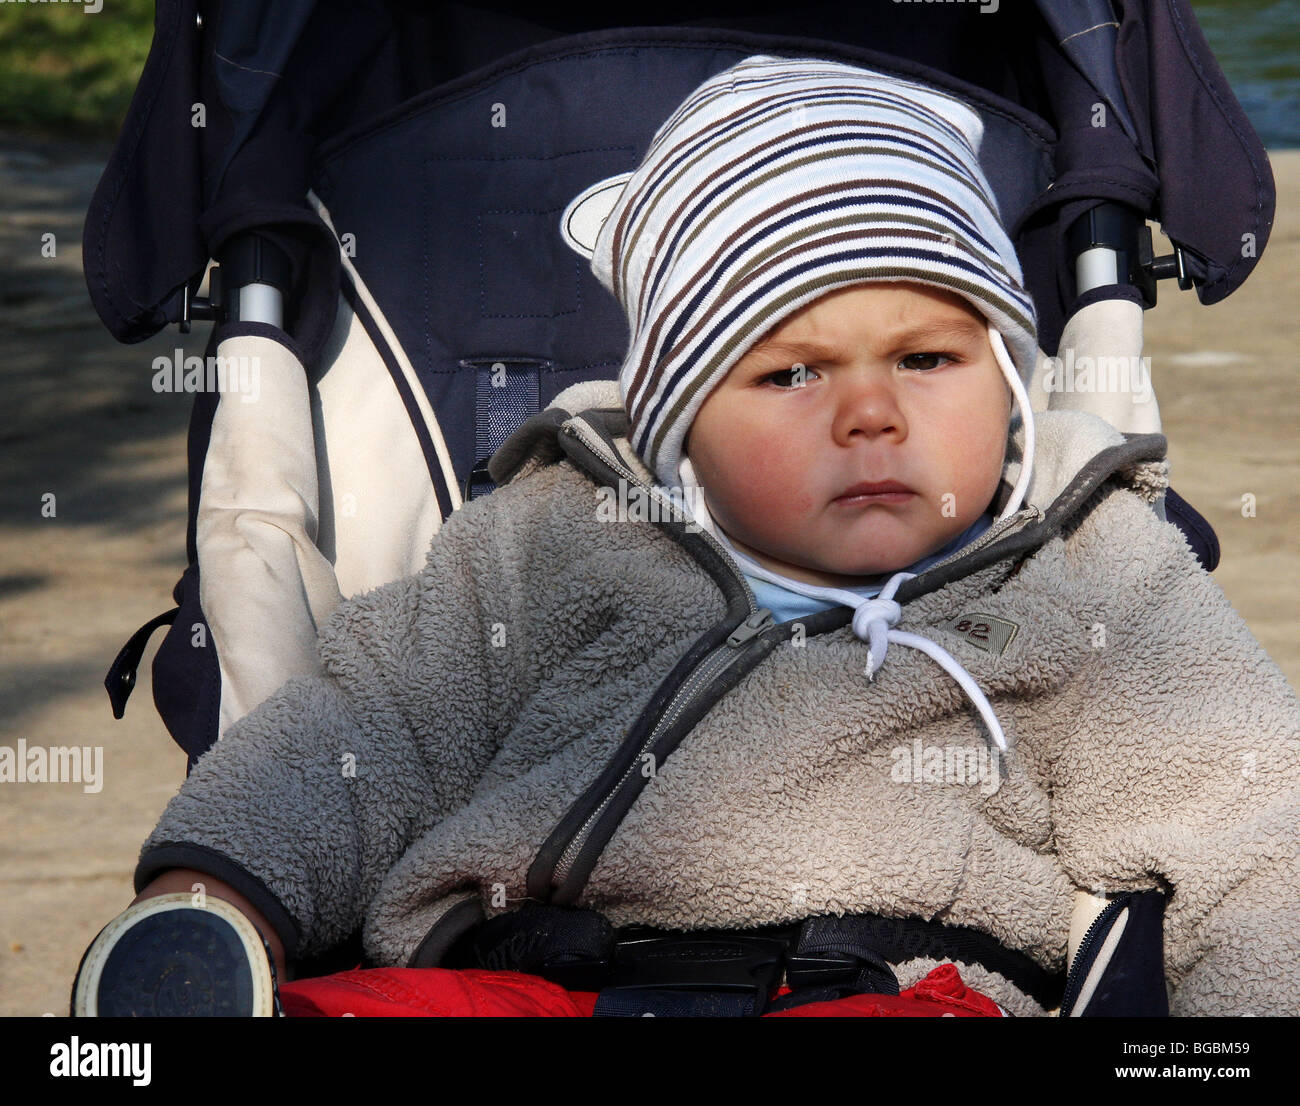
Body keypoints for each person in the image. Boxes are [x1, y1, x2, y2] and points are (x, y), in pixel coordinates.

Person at [73, 55, 1300, 1018]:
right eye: (788, 375)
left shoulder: (1089, 571)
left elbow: (1250, 827)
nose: (871, 411)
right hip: (512, 968)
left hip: (893, 983)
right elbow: (368, 723)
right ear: (677, 423)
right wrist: (214, 887)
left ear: (1013, 373)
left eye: (928, 358)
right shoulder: (553, 536)